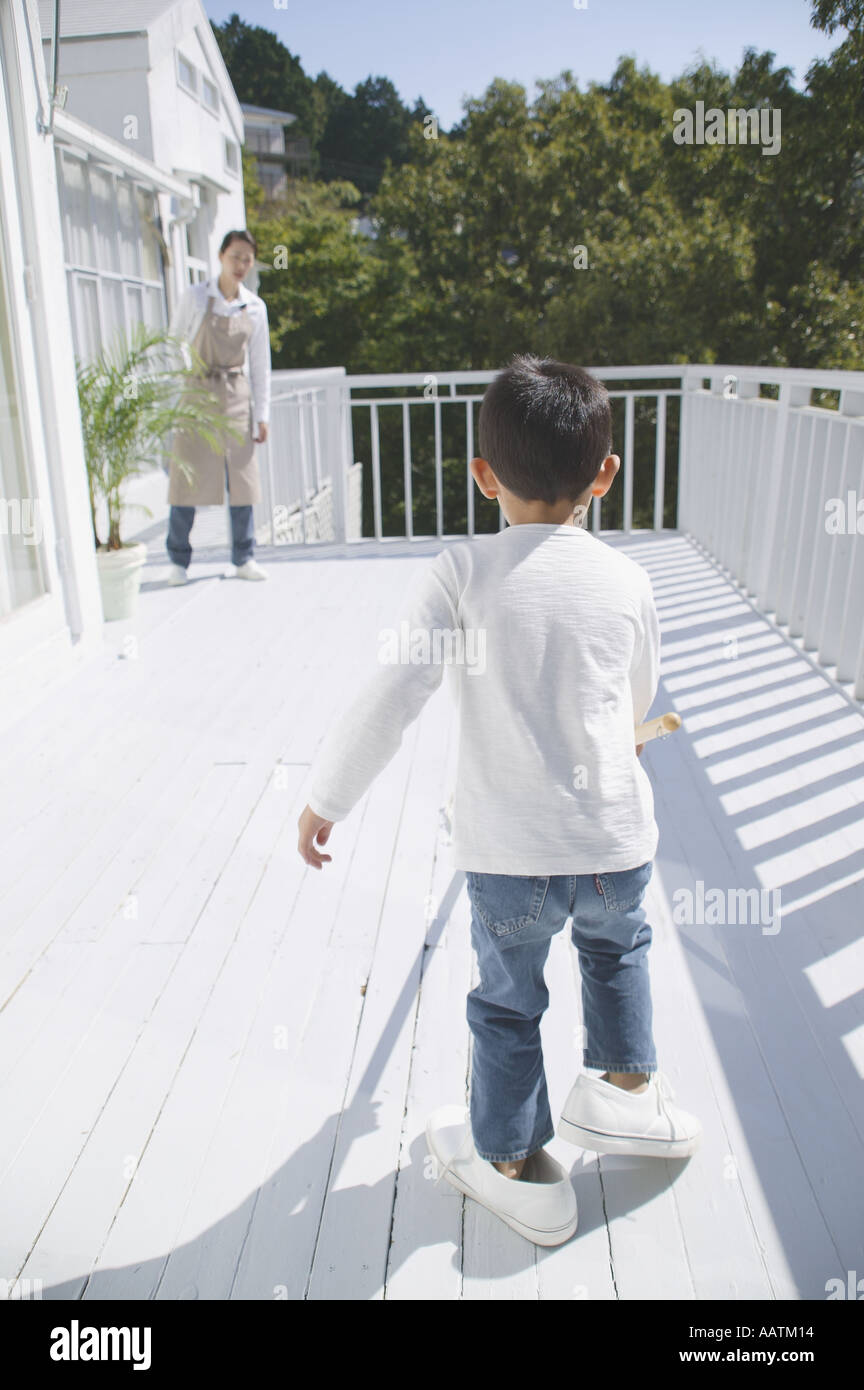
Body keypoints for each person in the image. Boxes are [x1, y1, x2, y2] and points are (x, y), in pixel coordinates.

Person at [296, 355, 701, 1247]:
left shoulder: (460, 572)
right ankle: (625, 1089)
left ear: (483, 477)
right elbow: (634, 706)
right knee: (616, 953)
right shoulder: (629, 581)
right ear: (605, 475)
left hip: (509, 862)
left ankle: (514, 1161)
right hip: (613, 849)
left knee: (510, 1004)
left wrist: (328, 794)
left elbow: (394, 691)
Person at [165, 229, 271, 583]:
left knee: (242, 480)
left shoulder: (255, 307)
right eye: (235, 256)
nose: (241, 264)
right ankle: (178, 560)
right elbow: (172, 341)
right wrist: (182, 375)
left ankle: (244, 558)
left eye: (247, 259)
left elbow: (260, 365)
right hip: (197, 395)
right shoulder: (195, 297)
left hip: (237, 396)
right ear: (221, 256)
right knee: (187, 477)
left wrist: (263, 414)